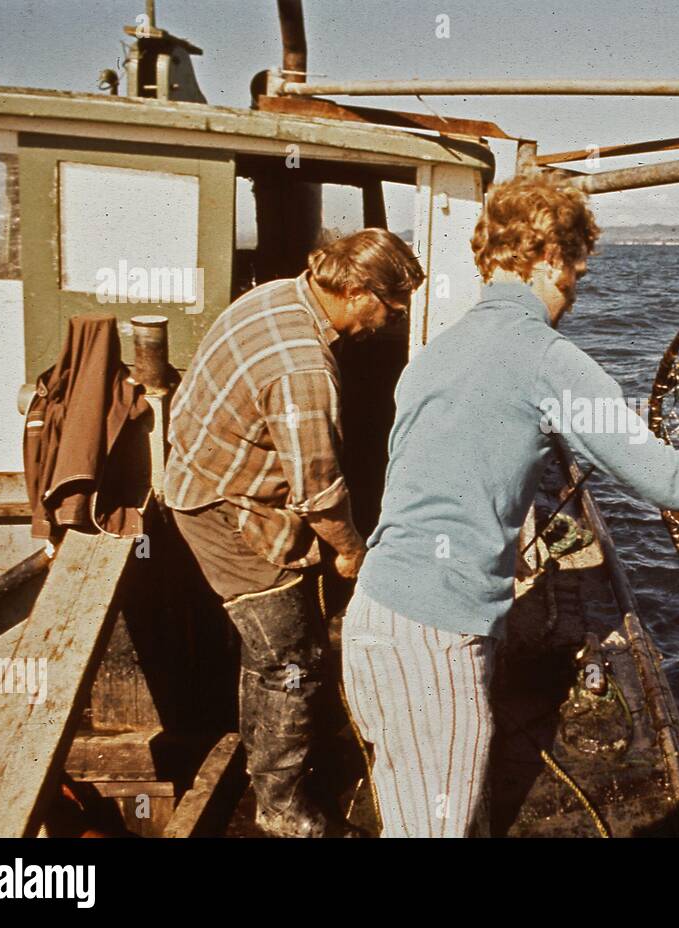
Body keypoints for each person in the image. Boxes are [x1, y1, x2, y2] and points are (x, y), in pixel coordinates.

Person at [341, 173, 679, 838]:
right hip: (434, 638)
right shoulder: (548, 358)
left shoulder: (437, 350)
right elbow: (660, 476)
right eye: (578, 272)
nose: (578, 292)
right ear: (552, 260)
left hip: (374, 620)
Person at [163, 228, 424, 837]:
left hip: (205, 470)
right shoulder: (304, 369)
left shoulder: (279, 293)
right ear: (357, 291)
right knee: (292, 658)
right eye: (391, 309)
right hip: (223, 509)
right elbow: (320, 497)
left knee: (275, 650)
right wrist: (355, 555)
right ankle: (280, 808)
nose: (391, 324)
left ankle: (270, 758)